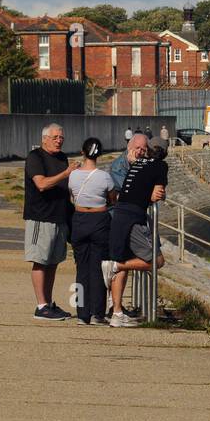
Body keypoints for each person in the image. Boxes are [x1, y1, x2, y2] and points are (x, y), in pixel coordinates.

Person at [103, 135, 167, 328]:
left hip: (129, 217)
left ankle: (117, 312)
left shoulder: (141, 164)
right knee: (155, 260)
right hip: (126, 218)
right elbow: (131, 192)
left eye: (143, 149)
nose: (140, 152)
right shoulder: (120, 166)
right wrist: (150, 193)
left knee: (123, 259)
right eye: (137, 148)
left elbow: (150, 191)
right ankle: (115, 271)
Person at [24, 123, 75, 321]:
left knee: (53, 261)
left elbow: (66, 185)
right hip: (40, 217)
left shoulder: (62, 158)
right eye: (55, 137)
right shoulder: (35, 157)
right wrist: (66, 173)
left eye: (61, 137)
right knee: (40, 260)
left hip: (59, 216)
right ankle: (41, 305)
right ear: (44, 138)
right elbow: (42, 184)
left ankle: (49, 302)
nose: (59, 140)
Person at [68, 137, 114, 325]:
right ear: (99, 154)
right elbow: (112, 198)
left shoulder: (73, 175)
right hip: (99, 220)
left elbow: (71, 196)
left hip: (79, 220)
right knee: (98, 268)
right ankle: (97, 313)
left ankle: (82, 314)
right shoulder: (104, 177)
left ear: (82, 152)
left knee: (81, 268)